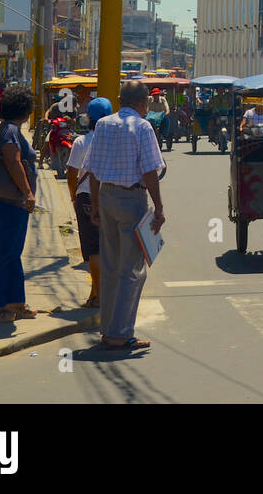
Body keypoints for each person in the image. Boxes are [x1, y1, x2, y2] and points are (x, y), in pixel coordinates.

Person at [84, 81, 165, 352]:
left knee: (110, 265)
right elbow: (151, 171)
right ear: (143, 103)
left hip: (106, 196)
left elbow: (93, 170)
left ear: (120, 100)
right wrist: (160, 207)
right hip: (132, 199)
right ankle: (120, 334)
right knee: (132, 270)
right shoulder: (142, 127)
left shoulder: (104, 124)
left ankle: (108, 330)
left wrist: (95, 205)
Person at [0, 84, 39, 324]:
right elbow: (13, 161)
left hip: (13, 203)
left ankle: (15, 300)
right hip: (10, 202)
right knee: (3, 253)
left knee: (13, 253)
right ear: (25, 110)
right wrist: (27, 192)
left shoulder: (8, 129)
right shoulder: (10, 132)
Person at [66, 97, 113, 309]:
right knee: (110, 247)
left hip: (86, 197)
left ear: (88, 119)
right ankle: (105, 292)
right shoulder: (116, 141)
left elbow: (72, 173)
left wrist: (73, 195)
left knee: (94, 249)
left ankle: (97, 295)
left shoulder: (81, 142)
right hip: (114, 196)